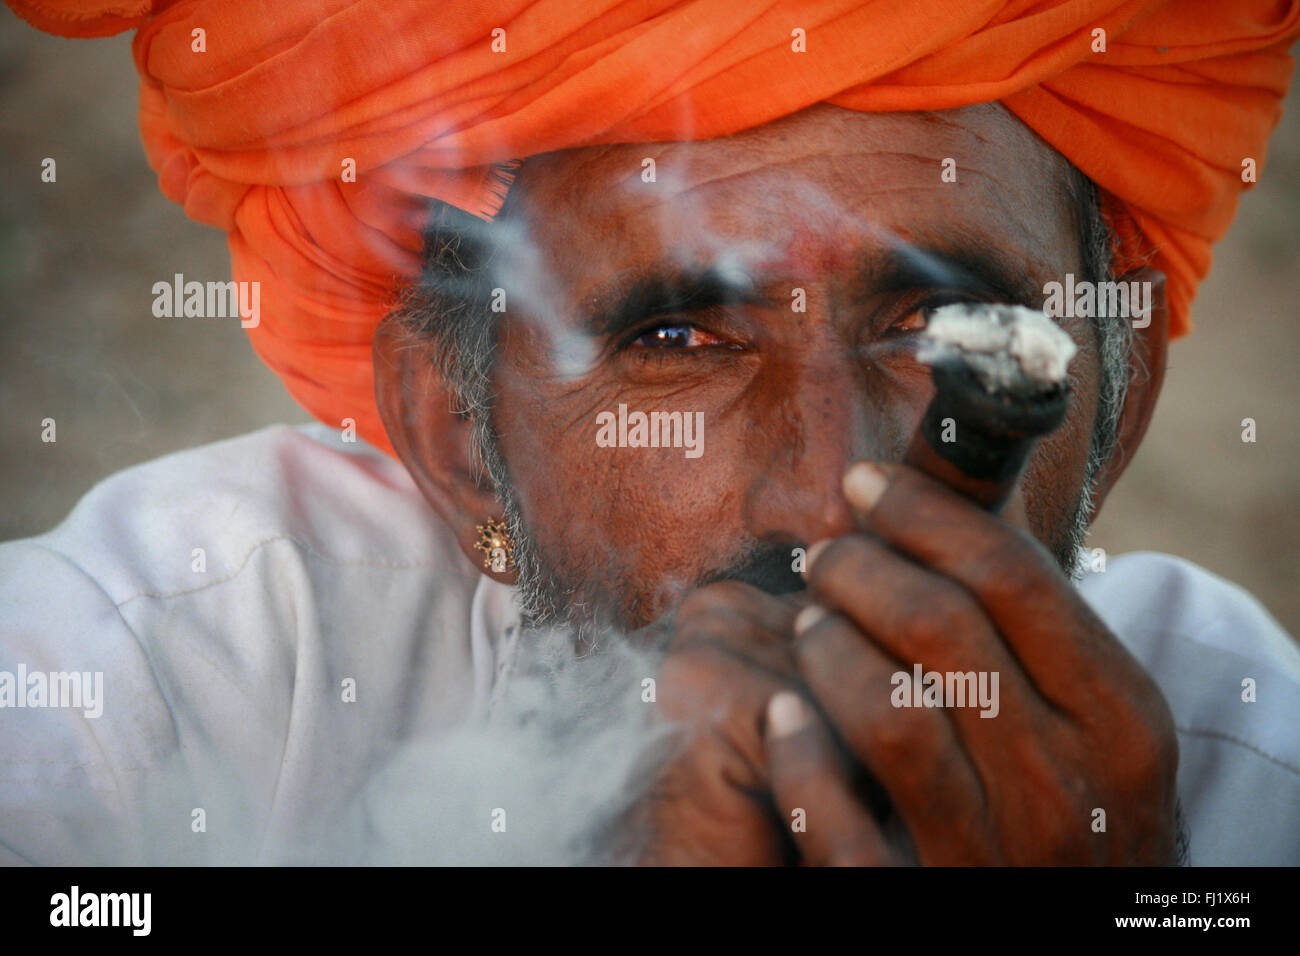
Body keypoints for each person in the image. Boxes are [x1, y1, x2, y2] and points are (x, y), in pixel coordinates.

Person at [2, 0, 1297, 866]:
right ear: (462, 441)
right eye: (677, 340)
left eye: (948, 334)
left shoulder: (1248, 776)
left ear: (1111, 417)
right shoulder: (147, 677)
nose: (822, 491)